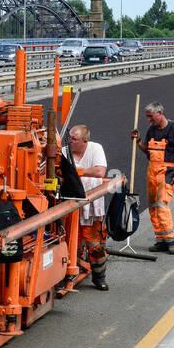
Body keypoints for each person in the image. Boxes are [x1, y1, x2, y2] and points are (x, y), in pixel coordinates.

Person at [131, 101, 174, 253]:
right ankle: (161, 240)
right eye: (147, 117)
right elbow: (148, 152)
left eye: (151, 116)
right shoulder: (152, 130)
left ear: (160, 113)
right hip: (152, 172)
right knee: (154, 207)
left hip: (167, 173)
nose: (149, 120)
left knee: (162, 205)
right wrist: (138, 142)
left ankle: (171, 240)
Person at [66, 124, 109, 290]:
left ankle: (99, 277)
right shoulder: (64, 151)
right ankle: (69, 272)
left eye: (74, 139)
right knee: (70, 240)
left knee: (95, 244)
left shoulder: (95, 148)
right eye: (69, 138)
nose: (70, 141)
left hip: (92, 208)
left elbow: (100, 172)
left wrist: (76, 171)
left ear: (84, 141)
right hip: (70, 205)